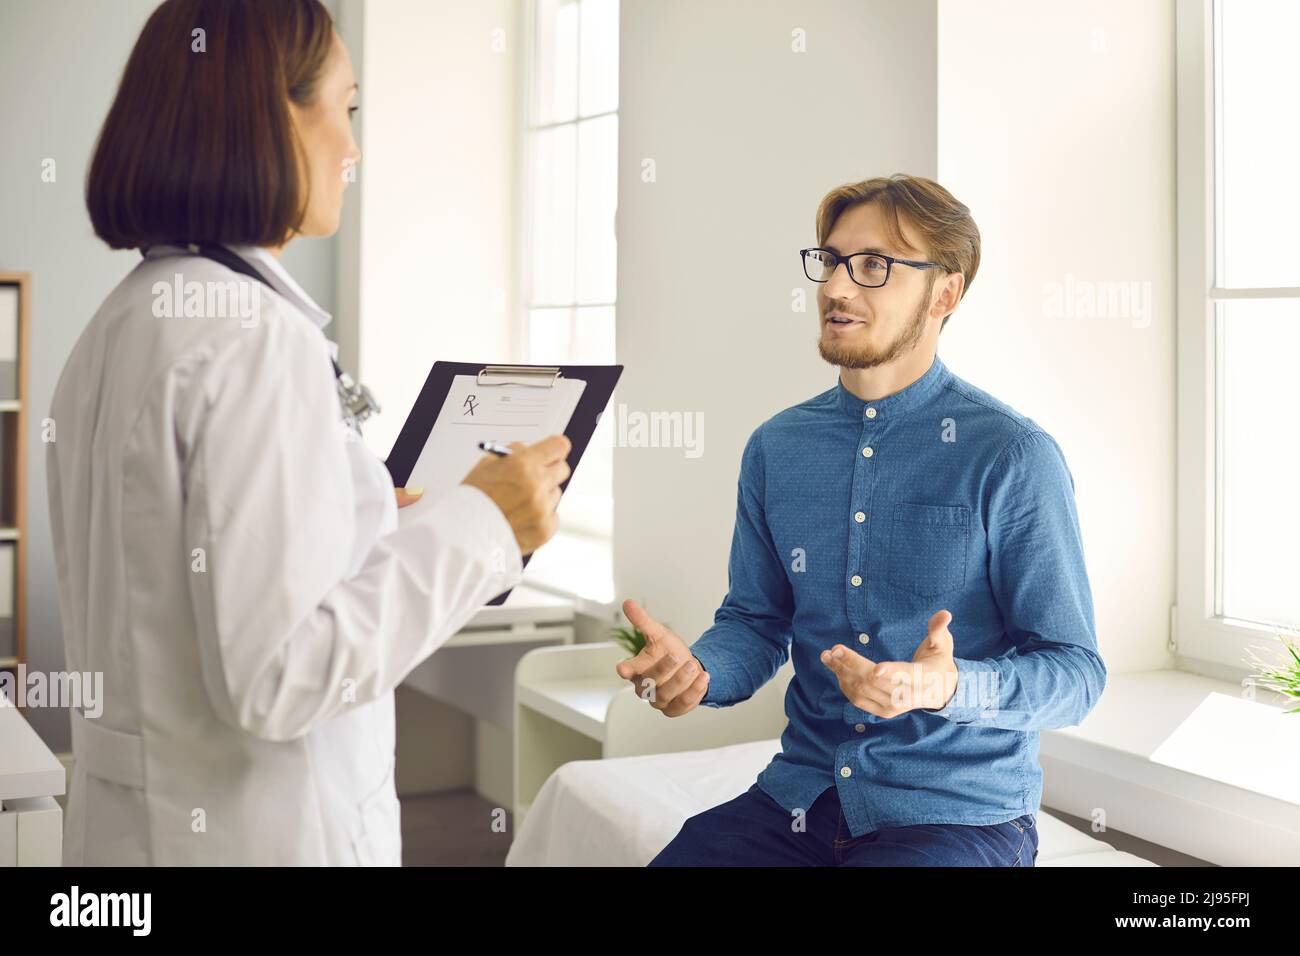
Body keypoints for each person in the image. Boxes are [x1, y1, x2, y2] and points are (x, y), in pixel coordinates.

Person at [47, 0, 569, 865]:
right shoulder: (252, 339)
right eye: (347, 107)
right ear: (272, 111)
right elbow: (279, 675)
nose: (354, 149)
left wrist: (363, 519)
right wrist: (487, 527)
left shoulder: (123, 322)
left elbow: (178, 576)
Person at [616, 174, 1106, 866]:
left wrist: (949, 685)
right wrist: (698, 671)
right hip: (799, 799)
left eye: (873, 266)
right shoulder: (777, 447)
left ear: (944, 293)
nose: (836, 289)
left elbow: (1076, 671)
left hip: (956, 819)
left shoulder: (1014, 456)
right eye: (831, 260)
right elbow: (756, 622)